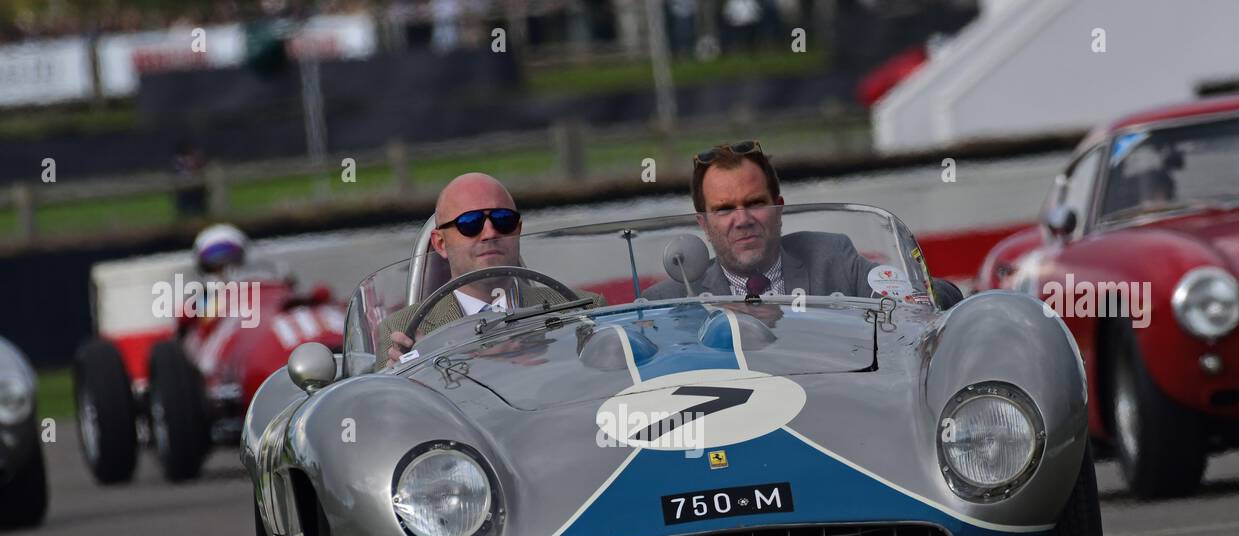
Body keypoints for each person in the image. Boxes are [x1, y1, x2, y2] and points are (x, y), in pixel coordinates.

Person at [644, 140, 963, 308]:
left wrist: (917, 297)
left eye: (755, 203)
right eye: (725, 210)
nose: (742, 220)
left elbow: (935, 296)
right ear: (704, 224)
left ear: (779, 208)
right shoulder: (673, 301)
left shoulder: (832, 257)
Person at [375, 172, 605, 369]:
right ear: (440, 244)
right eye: (470, 223)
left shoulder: (585, 309)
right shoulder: (401, 332)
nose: (490, 233)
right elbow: (392, 414)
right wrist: (407, 377)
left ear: (518, 230)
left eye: (503, 220)